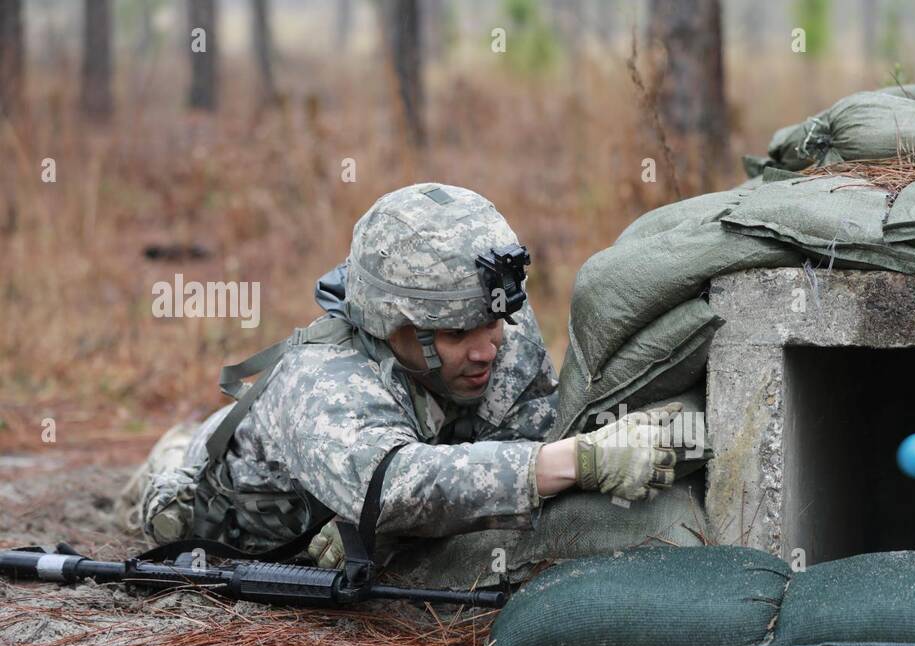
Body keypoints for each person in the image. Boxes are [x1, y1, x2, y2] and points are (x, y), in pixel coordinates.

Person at [117, 183, 682, 568]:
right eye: (456, 334)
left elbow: (526, 425)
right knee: (168, 512)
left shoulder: (495, 322)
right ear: (391, 325)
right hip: (231, 501)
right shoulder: (324, 382)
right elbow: (391, 487)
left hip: (367, 468)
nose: (488, 348)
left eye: (493, 323)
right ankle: (163, 458)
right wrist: (576, 462)